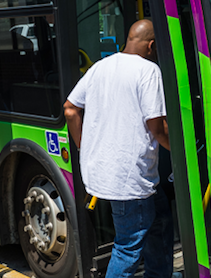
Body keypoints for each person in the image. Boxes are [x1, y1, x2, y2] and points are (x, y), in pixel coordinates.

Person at [63, 19, 174, 278]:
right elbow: (156, 127)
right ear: (152, 45)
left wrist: (86, 148)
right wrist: (184, 155)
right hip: (130, 179)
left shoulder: (100, 67)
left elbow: (70, 109)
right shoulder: (148, 70)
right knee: (127, 248)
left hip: (115, 175)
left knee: (158, 223)